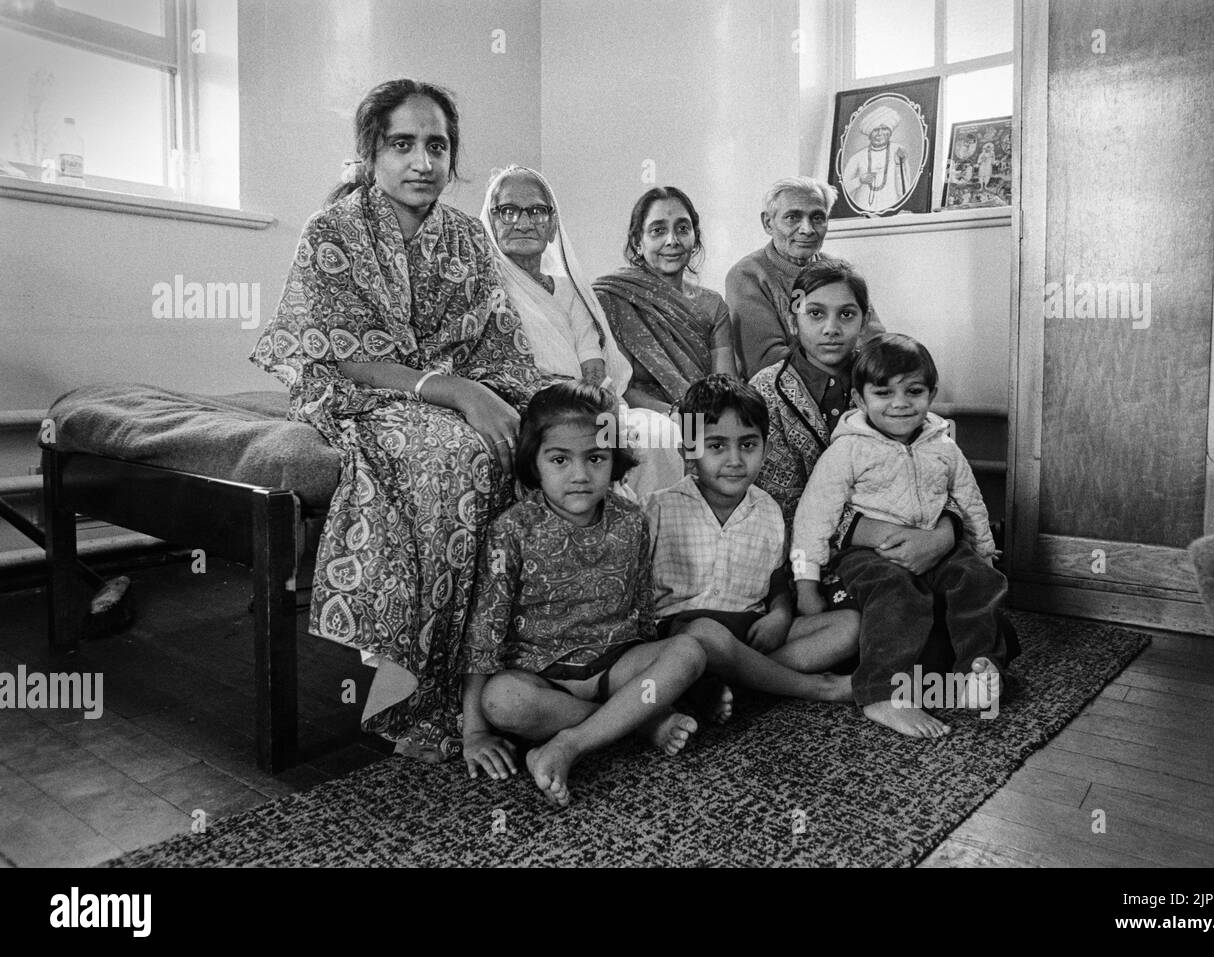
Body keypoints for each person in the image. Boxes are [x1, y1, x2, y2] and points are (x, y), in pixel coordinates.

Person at [249, 79, 541, 762]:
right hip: (359, 392)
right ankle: (409, 690)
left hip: (457, 383)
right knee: (456, 455)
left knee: (554, 437)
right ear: (371, 153)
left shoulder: (467, 237)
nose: (422, 161)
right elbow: (344, 357)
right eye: (402, 144)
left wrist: (502, 395)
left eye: (436, 145)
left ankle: (530, 661)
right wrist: (456, 392)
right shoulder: (334, 232)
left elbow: (499, 345)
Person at [460, 382, 706, 807]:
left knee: (689, 653)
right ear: (534, 464)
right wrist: (474, 730)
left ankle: (570, 744)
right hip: (544, 683)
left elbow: (642, 610)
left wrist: (652, 678)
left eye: (595, 458)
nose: (579, 474)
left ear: (614, 461)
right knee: (501, 701)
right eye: (559, 459)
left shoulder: (631, 520)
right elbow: (485, 628)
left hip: (616, 666)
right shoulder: (512, 530)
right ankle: (638, 723)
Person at [790, 334, 1008, 738]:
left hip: (939, 545)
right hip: (869, 556)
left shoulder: (943, 447)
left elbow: (971, 501)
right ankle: (882, 693)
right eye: (883, 393)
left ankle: (975, 673)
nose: (900, 403)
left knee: (980, 581)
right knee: (897, 593)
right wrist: (806, 584)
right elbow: (814, 517)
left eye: (914, 391)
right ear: (859, 399)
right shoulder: (847, 451)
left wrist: (984, 551)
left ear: (932, 393)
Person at [749, 259, 961, 671]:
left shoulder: (887, 376)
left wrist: (943, 534)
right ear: (795, 315)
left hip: (914, 532)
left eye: (847, 314)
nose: (831, 328)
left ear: (864, 320)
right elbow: (781, 506)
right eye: (816, 314)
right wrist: (871, 533)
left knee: (968, 613)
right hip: (816, 556)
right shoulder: (766, 392)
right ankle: (762, 669)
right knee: (894, 633)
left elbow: (942, 467)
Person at [643, 375, 854, 721]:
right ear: (688, 449)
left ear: (765, 450)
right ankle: (813, 687)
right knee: (704, 635)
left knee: (848, 625)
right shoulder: (659, 508)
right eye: (716, 446)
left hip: (749, 630)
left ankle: (734, 681)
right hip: (686, 633)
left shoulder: (769, 511)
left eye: (747, 445)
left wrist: (780, 616)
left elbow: (776, 582)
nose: (734, 460)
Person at [479, 165, 684, 498]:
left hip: (587, 402)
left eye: (536, 211)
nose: (524, 222)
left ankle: (650, 539)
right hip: (528, 408)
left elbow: (593, 363)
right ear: (491, 221)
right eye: (508, 211)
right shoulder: (482, 287)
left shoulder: (568, 288)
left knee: (658, 433)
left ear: (552, 226)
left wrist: (596, 412)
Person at [593, 187, 737, 415]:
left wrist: (704, 425)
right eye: (658, 230)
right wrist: (676, 417)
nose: (672, 240)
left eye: (682, 229)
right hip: (641, 424)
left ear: (695, 237)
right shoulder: (613, 298)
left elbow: (725, 387)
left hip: (706, 423)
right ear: (637, 241)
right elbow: (619, 387)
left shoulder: (712, 305)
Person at [724, 176, 883, 378]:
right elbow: (765, 361)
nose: (807, 230)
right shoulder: (747, 275)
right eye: (792, 218)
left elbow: (876, 345)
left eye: (817, 218)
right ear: (768, 223)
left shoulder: (841, 273)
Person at [842, 105, 910, 214]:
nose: (879, 134)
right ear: (869, 134)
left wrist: (899, 165)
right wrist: (859, 180)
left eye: (884, 129)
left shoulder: (898, 150)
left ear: (890, 132)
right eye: (875, 130)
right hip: (862, 212)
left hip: (891, 210)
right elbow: (842, 190)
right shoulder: (857, 157)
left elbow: (905, 190)